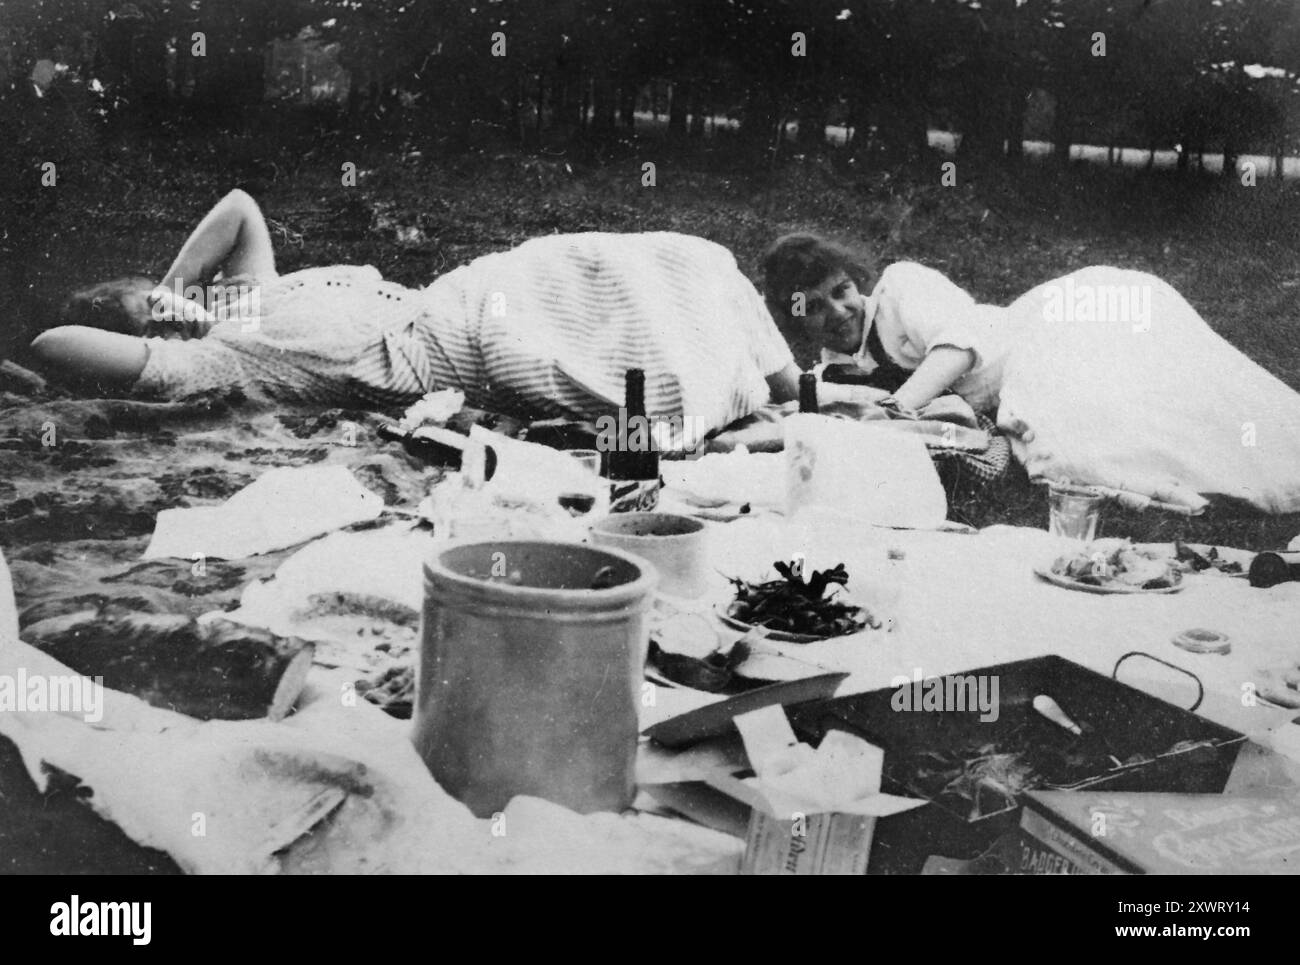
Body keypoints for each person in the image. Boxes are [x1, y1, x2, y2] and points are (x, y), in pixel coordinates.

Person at [31, 190, 802, 450]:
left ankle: (792, 382)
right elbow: (50, 342)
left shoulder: (239, 301)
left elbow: (239, 208)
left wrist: (172, 287)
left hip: (471, 289)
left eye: (159, 298)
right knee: (652, 380)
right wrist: (160, 333)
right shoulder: (224, 358)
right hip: (470, 351)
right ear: (144, 341)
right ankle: (770, 391)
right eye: (149, 321)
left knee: (670, 256)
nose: (168, 315)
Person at [762, 232, 1300, 514]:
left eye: (842, 291)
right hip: (1015, 386)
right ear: (796, 319)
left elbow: (960, 346)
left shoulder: (902, 290)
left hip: (1042, 336)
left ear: (858, 282)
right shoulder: (832, 370)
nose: (838, 312)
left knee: (1129, 421)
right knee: (1111, 434)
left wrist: (898, 407)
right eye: (815, 306)